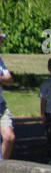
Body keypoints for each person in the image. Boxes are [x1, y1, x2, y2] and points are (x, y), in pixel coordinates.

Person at [0, 28, 13, 161]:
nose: (1, 42)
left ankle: (2, 167)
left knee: (9, 137)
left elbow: (9, 78)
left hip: (1, 106)